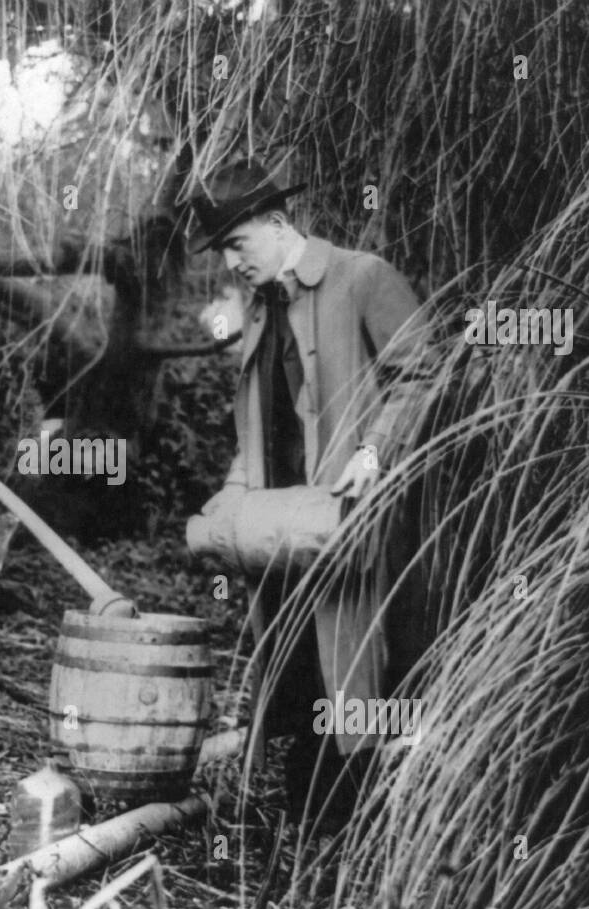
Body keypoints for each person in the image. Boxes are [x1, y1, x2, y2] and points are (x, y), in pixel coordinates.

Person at [186, 158, 434, 797]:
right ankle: (311, 805)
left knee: (360, 660)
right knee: (295, 662)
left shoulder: (363, 277)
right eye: (222, 252)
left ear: (275, 223)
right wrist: (234, 498)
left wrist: (374, 453)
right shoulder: (262, 308)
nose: (230, 264)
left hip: (353, 522)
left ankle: (373, 818)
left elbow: (427, 375)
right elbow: (254, 423)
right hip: (285, 526)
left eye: (236, 245)